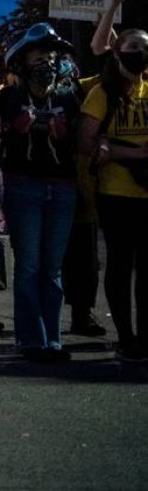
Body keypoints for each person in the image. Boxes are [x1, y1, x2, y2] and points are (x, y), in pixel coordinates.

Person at [0, 23, 80, 361]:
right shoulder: (8, 96)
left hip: (62, 187)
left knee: (52, 268)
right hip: (23, 185)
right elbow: (25, 124)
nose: (48, 63)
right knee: (28, 265)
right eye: (40, 57)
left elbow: (67, 132)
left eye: (53, 57)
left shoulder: (72, 96)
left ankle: (53, 338)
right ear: (23, 62)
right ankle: (31, 339)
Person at [78, 27, 148, 361]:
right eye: (134, 46)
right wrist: (133, 154)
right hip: (116, 192)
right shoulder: (102, 93)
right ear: (118, 51)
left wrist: (116, 148)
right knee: (120, 264)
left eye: (146, 47)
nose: (141, 52)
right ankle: (125, 335)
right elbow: (86, 141)